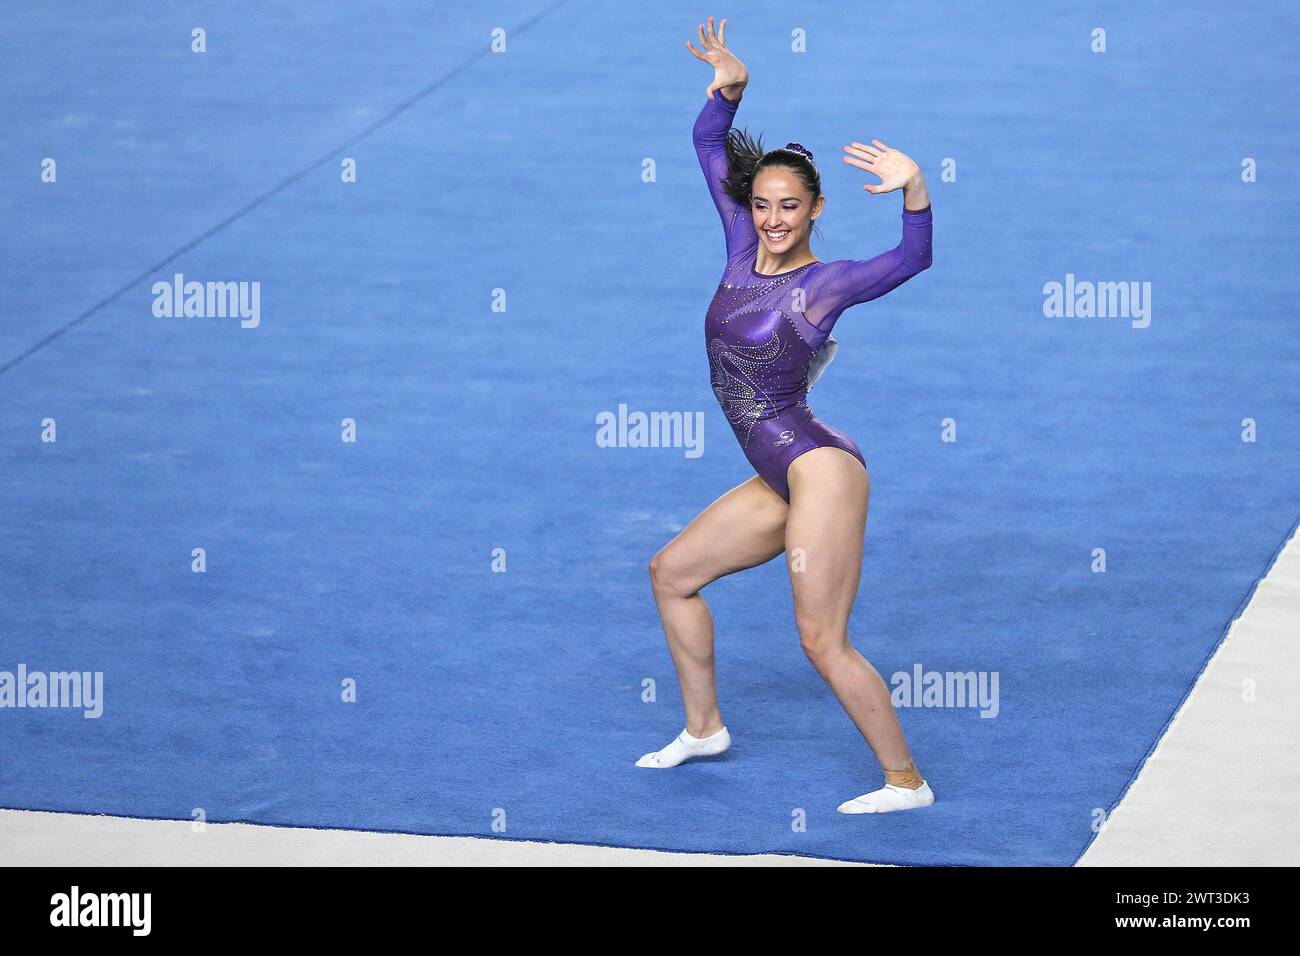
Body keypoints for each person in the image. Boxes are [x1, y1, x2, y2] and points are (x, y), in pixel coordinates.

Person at [636, 17, 936, 815]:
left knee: (820, 640)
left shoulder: (825, 285)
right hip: (777, 471)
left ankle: (906, 782)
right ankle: (705, 729)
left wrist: (914, 186)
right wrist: (730, 86)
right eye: (764, 204)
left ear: (815, 209)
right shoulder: (739, 247)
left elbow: (911, 259)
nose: (772, 219)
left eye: (790, 208)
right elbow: (708, 145)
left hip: (818, 469)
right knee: (673, 575)